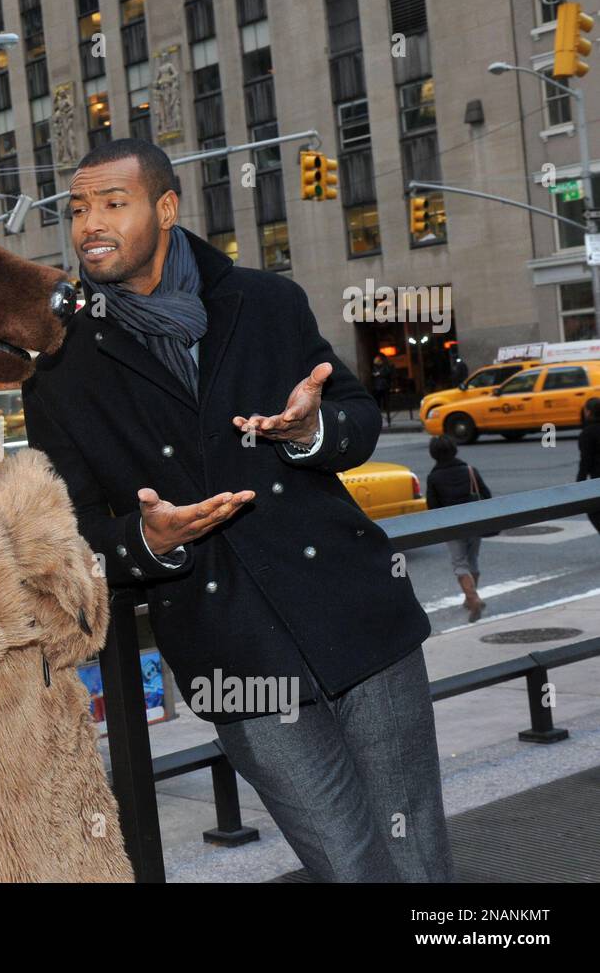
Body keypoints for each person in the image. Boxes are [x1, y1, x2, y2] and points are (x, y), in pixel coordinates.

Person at [22, 137, 452, 882]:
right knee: (351, 866)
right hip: (237, 659)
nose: (89, 222)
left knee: (419, 861)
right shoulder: (61, 371)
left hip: (361, 620)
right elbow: (72, 534)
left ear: (164, 208)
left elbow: (357, 416)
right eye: (78, 207)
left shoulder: (267, 303)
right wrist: (147, 541)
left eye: (112, 203)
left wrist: (310, 430)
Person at [425, 434, 491, 622]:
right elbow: (486, 495)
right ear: (454, 449)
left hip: (452, 526)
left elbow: (433, 507)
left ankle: (473, 598)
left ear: (433, 454)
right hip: (475, 522)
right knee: (473, 561)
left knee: (460, 564)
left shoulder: (434, 477)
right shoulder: (470, 470)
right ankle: (470, 598)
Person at [579, 397, 600, 534]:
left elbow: (585, 462)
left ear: (589, 412)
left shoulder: (587, 433)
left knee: (595, 512)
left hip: (597, 482)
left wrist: (578, 485)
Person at [370, 353, 394, 426]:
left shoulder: (385, 366)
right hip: (377, 387)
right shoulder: (375, 367)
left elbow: (388, 373)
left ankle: (388, 420)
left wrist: (379, 374)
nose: (375, 361)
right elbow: (373, 375)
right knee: (378, 404)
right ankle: (379, 420)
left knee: (386, 403)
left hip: (384, 387)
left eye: (377, 360)